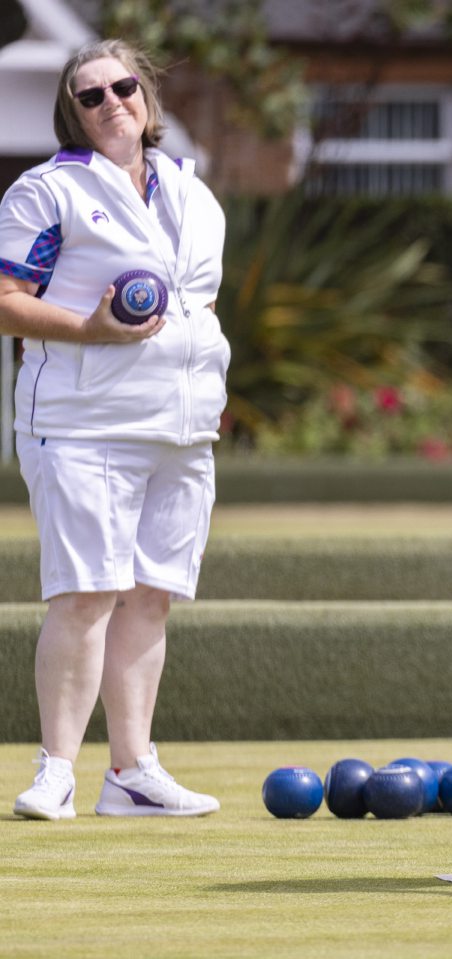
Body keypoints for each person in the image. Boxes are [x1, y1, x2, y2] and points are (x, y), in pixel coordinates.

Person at [0, 39, 229, 819]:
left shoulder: (195, 196)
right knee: (86, 593)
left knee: (151, 597)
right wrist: (89, 330)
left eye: (122, 87)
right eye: (90, 95)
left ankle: (132, 771)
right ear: (73, 110)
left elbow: (198, 305)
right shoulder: (47, 191)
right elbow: (5, 298)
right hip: (81, 421)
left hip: (181, 426)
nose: (110, 104)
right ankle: (54, 770)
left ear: (147, 95)